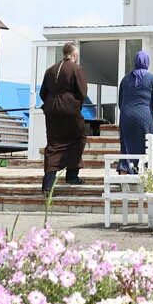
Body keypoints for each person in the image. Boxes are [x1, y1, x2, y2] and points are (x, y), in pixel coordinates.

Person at [39, 43, 89, 193]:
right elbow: (82, 92)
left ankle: (48, 184)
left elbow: (43, 93)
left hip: (52, 110)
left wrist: (51, 103)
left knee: (54, 144)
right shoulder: (76, 68)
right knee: (79, 138)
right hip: (69, 108)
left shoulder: (50, 70)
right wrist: (75, 104)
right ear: (74, 55)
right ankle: (72, 175)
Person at [116, 49, 153, 173]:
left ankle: (124, 172)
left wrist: (128, 114)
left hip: (126, 117)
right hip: (144, 117)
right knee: (146, 147)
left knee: (126, 147)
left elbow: (121, 102)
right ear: (148, 62)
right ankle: (144, 173)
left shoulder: (125, 79)